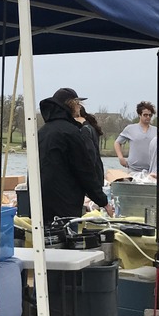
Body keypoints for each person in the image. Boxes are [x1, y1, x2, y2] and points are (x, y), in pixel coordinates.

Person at [39, 88, 111, 219]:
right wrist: (102, 201)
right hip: (65, 201)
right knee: (65, 237)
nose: (80, 107)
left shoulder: (42, 132)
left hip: (40, 199)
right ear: (71, 104)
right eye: (78, 103)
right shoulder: (70, 132)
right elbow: (84, 169)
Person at [114, 101, 156, 173]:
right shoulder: (130, 128)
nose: (148, 117)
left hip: (151, 170)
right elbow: (117, 142)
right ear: (139, 115)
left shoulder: (156, 131)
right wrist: (121, 158)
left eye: (150, 115)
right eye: (145, 115)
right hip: (133, 170)